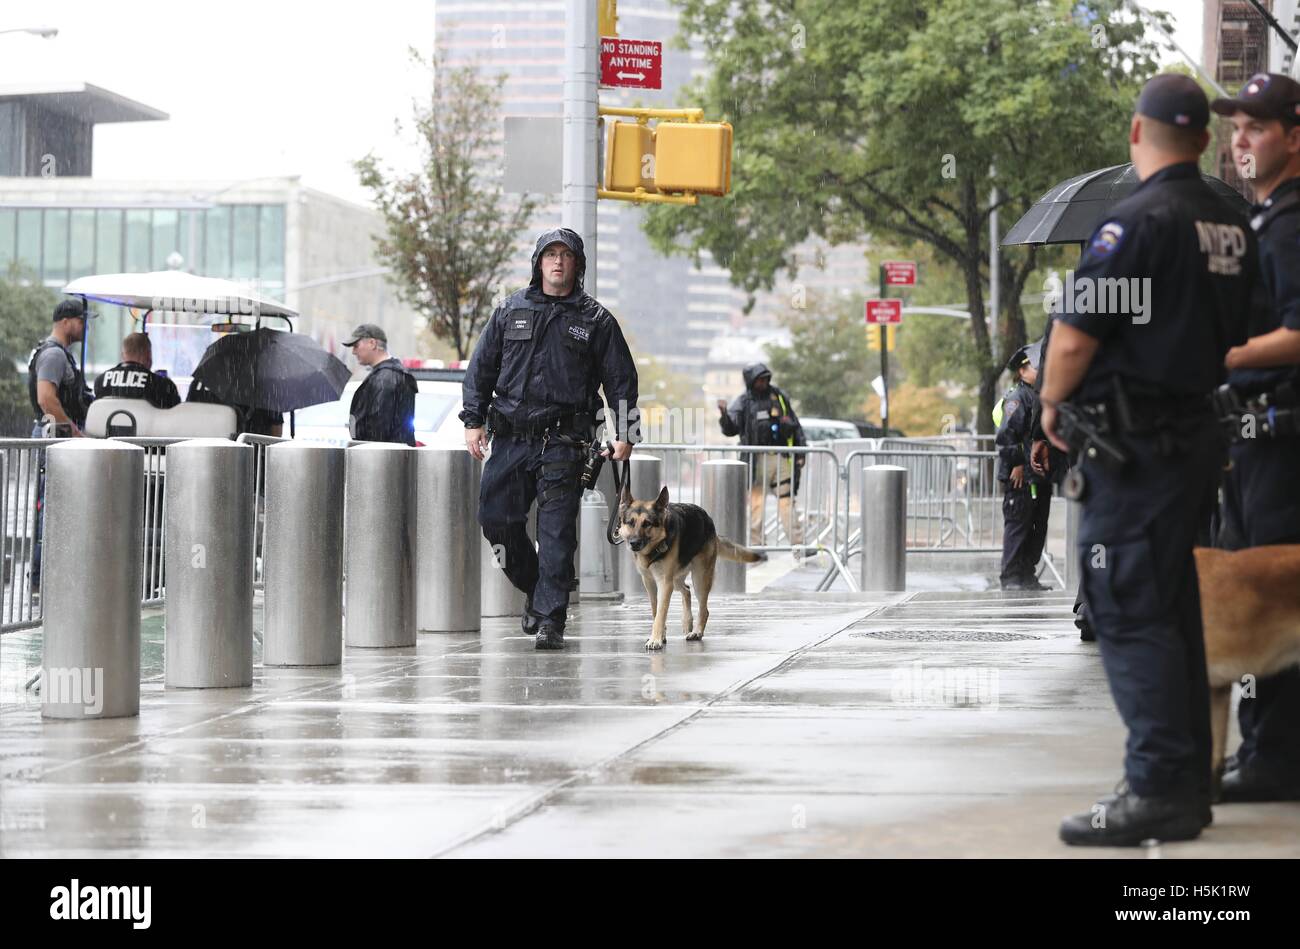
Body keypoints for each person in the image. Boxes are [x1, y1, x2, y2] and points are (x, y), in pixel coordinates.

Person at [1041, 74, 1259, 846]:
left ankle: (1157, 787)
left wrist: (1048, 403)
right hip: (1198, 437)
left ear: (1137, 134)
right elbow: (1240, 334)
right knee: (1171, 611)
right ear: (1203, 139)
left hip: (1133, 451)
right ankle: (1185, 782)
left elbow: (1073, 337)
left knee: (1130, 609)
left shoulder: (1135, 224)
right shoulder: (1232, 225)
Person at [461, 227, 638, 650]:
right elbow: (481, 369)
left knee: (558, 533)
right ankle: (539, 589)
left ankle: (551, 619)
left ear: (577, 265)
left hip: (564, 444)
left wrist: (626, 433)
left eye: (566, 255)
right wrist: (473, 419)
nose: (558, 261)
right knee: (496, 520)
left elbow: (622, 382)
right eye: (550, 254)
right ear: (538, 263)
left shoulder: (596, 320)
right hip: (511, 439)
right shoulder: (509, 311)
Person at [1212, 72, 1300, 803]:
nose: (1240, 140)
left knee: (1274, 603)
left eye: (1258, 127)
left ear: (1295, 137)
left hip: (1285, 443)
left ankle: (1277, 756)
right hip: (1258, 441)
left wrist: (1226, 353)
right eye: (1235, 127)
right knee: (1258, 599)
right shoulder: (1270, 218)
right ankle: (1265, 747)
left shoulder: (1294, 220)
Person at [717, 363, 807, 546]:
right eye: (759, 379)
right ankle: (757, 546)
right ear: (751, 381)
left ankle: (799, 545)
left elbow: (795, 425)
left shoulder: (779, 396)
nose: (763, 382)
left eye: (765, 378)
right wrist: (724, 415)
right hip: (756, 461)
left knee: (787, 502)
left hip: (780, 457)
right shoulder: (743, 402)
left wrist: (801, 450)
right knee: (757, 505)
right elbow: (730, 429)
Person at [995, 344, 1051, 591]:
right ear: (1023, 370)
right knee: (1018, 525)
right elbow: (1007, 436)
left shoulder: (1039, 395)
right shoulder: (1017, 398)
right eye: (1035, 366)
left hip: (1038, 475)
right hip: (1021, 476)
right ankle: (1011, 577)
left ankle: (1028, 574)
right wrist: (1016, 464)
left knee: (1037, 526)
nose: (1040, 370)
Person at [28, 298, 95, 438]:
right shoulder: (54, 354)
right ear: (65, 322)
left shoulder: (58, 352)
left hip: (55, 433)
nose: (86, 327)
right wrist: (74, 432)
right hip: (54, 435)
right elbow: (46, 399)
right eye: (81, 321)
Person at [343, 323, 417, 445]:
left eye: (356, 345)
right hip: (391, 457)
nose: (353, 352)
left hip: (381, 459)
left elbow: (378, 431)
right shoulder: (391, 374)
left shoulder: (385, 378)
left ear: (372, 343)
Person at [94, 332, 181, 409]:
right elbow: (175, 418)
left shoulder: (101, 381)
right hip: (147, 427)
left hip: (109, 427)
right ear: (148, 355)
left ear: (123, 355)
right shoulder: (163, 385)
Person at [186, 373, 282, 437]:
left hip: (205, 451)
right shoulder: (265, 387)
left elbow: (187, 416)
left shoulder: (200, 383)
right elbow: (276, 431)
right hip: (253, 454)